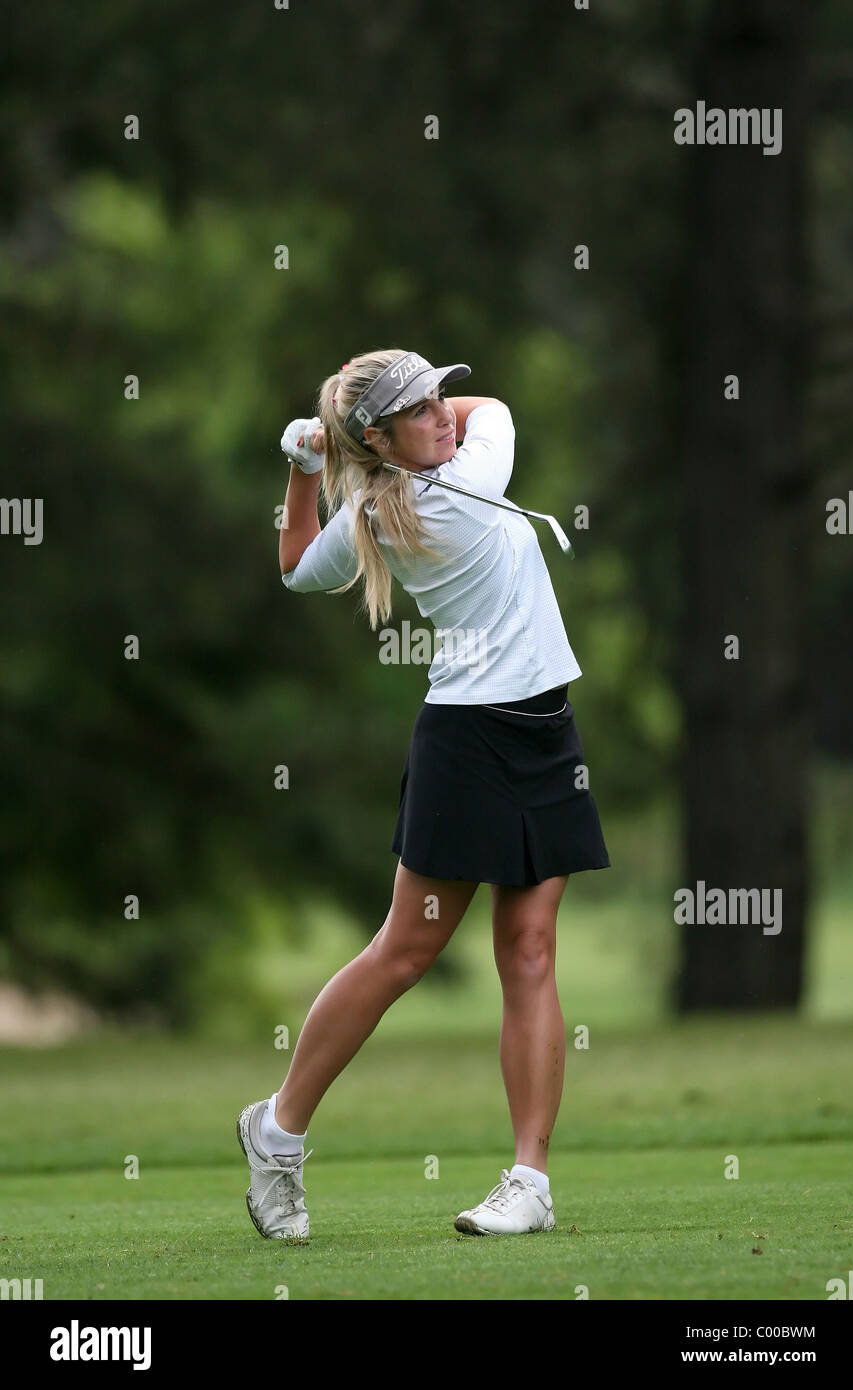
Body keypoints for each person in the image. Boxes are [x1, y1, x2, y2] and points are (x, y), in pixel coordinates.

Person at [237, 348, 609, 1240]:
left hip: (543, 726)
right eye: (420, 409)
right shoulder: (429, 496)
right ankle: (277, 1133)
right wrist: (330, 457)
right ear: (382, 437)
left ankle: (530, 1181)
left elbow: (293, 561)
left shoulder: (379, 501)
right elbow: (497, 407)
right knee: (406, 951)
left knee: (529, 953)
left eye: (440, 397)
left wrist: (306, 467)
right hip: (469, 743)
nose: (445, 414)